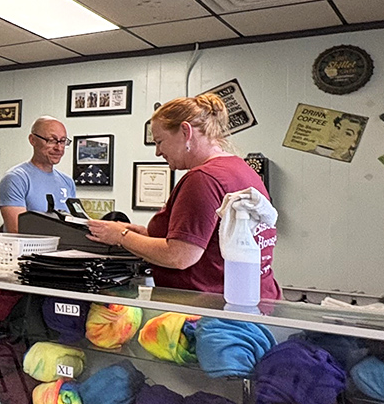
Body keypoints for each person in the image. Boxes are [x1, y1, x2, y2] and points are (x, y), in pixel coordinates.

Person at [87, 93, 281, 298]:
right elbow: (211, 243)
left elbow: (180, 256)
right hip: (256, 299)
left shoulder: (202, 178)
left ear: (185, 131)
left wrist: (121, 236)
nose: (158, 152)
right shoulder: (242, 169)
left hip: (208, 310)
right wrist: (143, 235)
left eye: (160, 141)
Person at [0, 116, 76, 233]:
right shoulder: (16, 179)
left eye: (63, 141)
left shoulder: (67, 182)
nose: (59, 148)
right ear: (32, 140)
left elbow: (74, 225)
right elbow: (17, 231)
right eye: (51, 140)